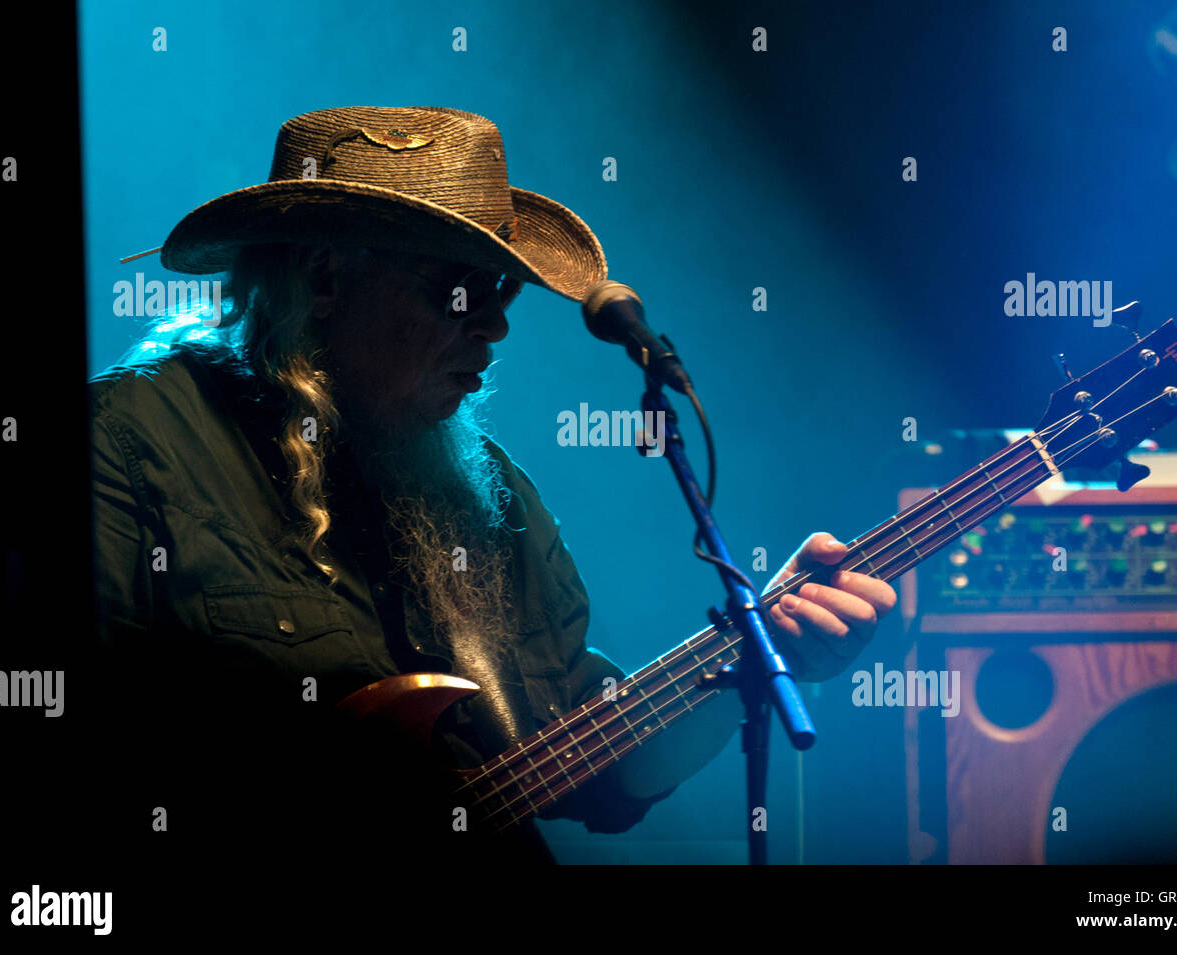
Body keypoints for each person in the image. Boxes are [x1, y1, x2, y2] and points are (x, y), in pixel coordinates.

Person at [89, 106, 897, 864]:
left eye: (503, 291)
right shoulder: (129, 444)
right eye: (461, 290)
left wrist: (755, 654)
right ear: (326, 277)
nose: (497, 324)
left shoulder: (486, 494)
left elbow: (600, 768)